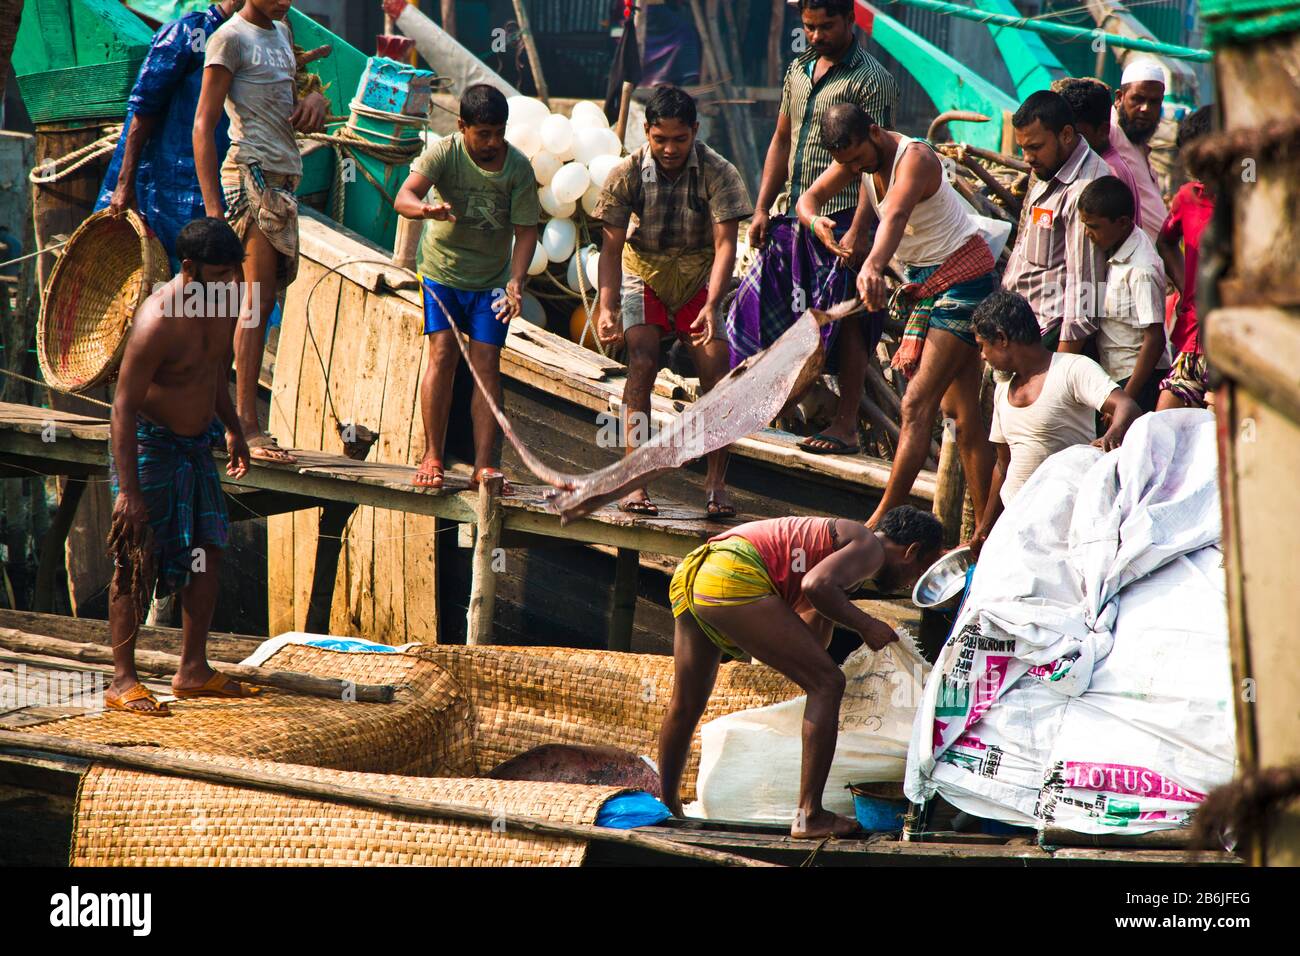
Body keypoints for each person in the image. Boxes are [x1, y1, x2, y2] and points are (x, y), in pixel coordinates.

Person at [659, 505, 942, 837]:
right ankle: (810, 816)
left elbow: (811, 632)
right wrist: (867, 625)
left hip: (701, 570)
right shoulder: (869, 547)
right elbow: (815, 585)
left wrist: (832, 618)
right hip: (734, 572)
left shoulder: (840, 556)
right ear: (911, 552)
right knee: (828, 684)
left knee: (687, 703)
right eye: (919, 571)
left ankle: (668, 807)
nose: (909, 584)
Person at [795, 104, 997, 530]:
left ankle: (880, 523)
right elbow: (807, 200)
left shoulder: (916, 159)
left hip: (962, 282)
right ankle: (983, 533)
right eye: (844, 164)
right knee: (963, 419)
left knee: (914, 404)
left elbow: (897, 216)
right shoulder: (860, 160)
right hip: (929, 287)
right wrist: (818, 224)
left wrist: (872, 265)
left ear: (873, 132)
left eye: (856, 159)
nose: (852, 169)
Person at [727, 0, 898, 455]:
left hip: (846, 217)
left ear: (849, 21)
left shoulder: (872, 80)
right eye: (809, 27)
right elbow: (781, 140)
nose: (817, 35)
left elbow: (874, 160)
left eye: (826, 26)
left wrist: (860, 230)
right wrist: (762, 207)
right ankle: (758, 412)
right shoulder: (798, 71)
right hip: (798, 212)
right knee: (758, 307)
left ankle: (845, 426)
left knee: (848, 321)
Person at [106, 218, 253, 716]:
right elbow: (122, 407)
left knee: (205, 554)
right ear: (188, 269)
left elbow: (213, 372)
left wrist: (234, 426)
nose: (230, 283)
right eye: (220, 274)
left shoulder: (226, 299)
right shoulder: (157, 320)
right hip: (151, 448)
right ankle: (123, 679)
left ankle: (192, 669)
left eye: (235, 272)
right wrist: (129, 492)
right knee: (136, 557)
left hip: (198, 447)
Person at [592, 85, 752, 518]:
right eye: (660, 139)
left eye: (679, 140)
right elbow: (610, 249)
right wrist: (606, 305)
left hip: (700, 273)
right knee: (642, 361)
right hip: (644, 270)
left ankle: (716, 482)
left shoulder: (719, 172)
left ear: (694, 131)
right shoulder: (626, 173)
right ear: (646, 132)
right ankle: (635, 479)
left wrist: (712, 304)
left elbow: (724, 248)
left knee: (718, 373)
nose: (669, 148)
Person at [97, 1, 329, 266]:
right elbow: (143, 111)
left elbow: (287, 102)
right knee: (187, 276)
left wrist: (315, 100)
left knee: (237, 291)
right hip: (179, 189)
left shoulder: (274, 33)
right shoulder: (190, 34)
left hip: (254, 180)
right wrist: (124, 184)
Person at [195, 0, 327, 466]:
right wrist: (215, 211)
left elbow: (291, 103)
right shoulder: (228, 39)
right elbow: (202, 125)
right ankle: (247, 428)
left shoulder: (283, 32)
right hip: (249, 178)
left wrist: (314, 101)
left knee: (253, 303)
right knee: (254, 302)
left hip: (283, 181)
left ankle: (226, 419)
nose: (285, 1)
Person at [393, 84, 539, 493]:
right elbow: (404, 196)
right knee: (443, 354)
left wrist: (516, 280)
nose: (493, 142)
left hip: (492, 281)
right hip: (442, 273)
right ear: (462, 127)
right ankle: (432, 454)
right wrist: (426, 209)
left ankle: (482, 465)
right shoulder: (444, 152)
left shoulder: (519, 169)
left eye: (499, 133)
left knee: (487, 365)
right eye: (483, 134)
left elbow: (527, 232)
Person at [968, 291, 1142, 553]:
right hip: (1016, 525)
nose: (982, 355)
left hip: (1063, 523)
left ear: (1002, 339)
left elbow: (1126, 406)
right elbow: (1003, 466)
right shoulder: (1002, 388)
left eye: (983, 345)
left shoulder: (1072, 369)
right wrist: (985, 526)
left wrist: (1112, 434)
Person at [1002, 90, 1112, 351]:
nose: (1027, 158)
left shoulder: (1086, 188)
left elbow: (1086, 288)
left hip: (1049, 336)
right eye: (1023, 148)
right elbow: (1022, 240)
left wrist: (1060, 370)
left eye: (1035, 147)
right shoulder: (1044, 170)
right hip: (1020, 325)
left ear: (1066, 134)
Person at [1076, 176, 1169, 413]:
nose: (1087, 233)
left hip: (1136, 379)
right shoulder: (1112, 248)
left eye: (1094, 227)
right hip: (1113, 375)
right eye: (1085, 225)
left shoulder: (1141, 270)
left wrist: (1125, 401)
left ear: (1123, 223)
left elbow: (1155, 339)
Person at [1156, 106, 1215, 411]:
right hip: (1192, 344)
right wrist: (1184, 287)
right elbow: (1165, 242)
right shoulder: (1188, 197)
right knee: (1158, 428)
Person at [1051, 77, 1143, 235]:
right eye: (1064, 134)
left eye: (1078, 135)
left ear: (1103, 130)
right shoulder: (1096, 164)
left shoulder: (1106, 172)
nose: (1068, 142)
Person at [1111, 58, 1169, 241]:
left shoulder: (1139, 144)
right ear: (1119, 98)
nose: (1145, 109)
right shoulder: (1111, 132)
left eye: (1154, 102)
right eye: (1137, 99)